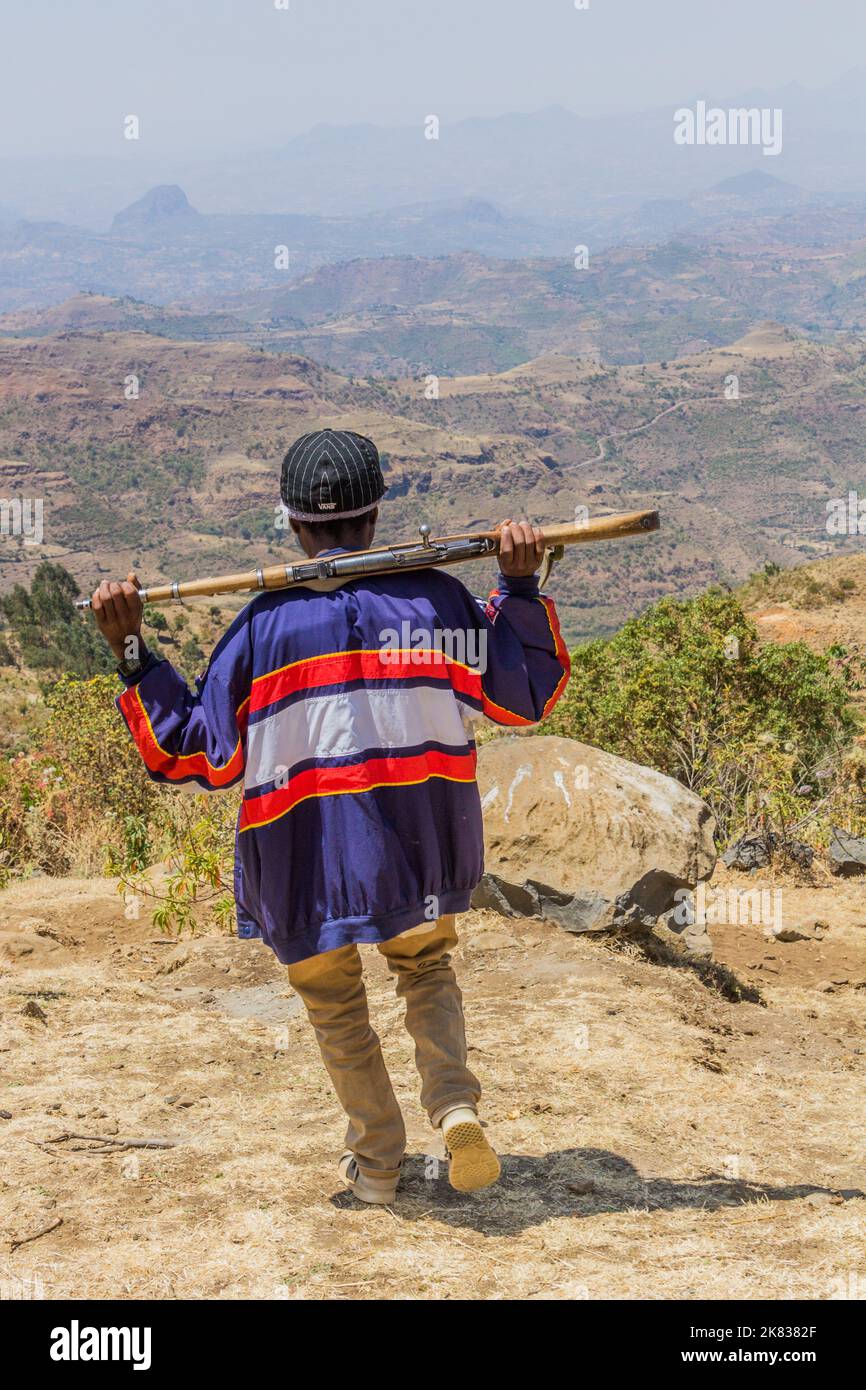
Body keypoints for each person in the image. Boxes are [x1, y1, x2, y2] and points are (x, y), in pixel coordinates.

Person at [92, 428, 570, 1203]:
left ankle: (379, 1167)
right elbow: (524, 698)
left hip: (303, 861)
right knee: (426, 967)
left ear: (292, 525)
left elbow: (191, 758)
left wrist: (133, 654)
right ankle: (453, 1105)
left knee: (334, 1004)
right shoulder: (436, 602)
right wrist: (518, 589)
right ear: (377, 517)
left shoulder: (259, 631)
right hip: (420, 844)